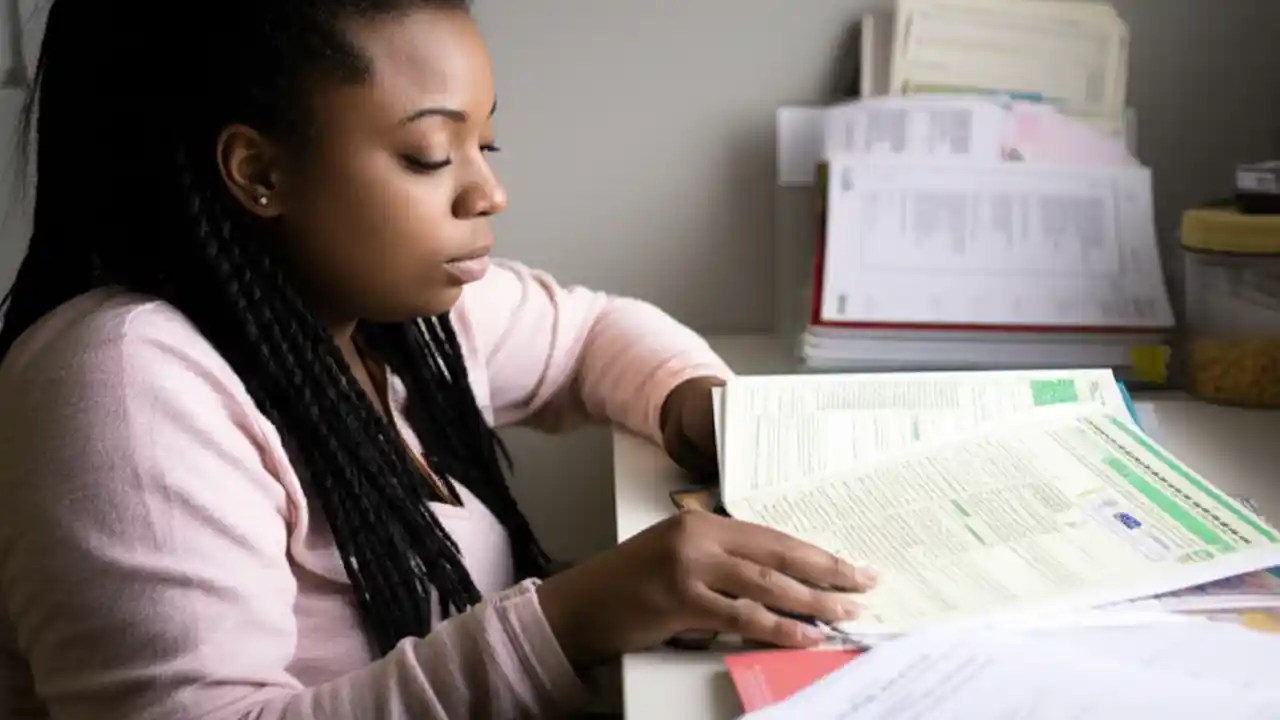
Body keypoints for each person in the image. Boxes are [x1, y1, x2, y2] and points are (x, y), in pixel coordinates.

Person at [0, 1, 877, 718]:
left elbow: (590, 335)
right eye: (429, 154)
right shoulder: (125, 383)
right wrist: (574, 618)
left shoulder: (385, 316)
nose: (487, 191)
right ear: (257, 171)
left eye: (483, 145)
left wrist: (697, 404)